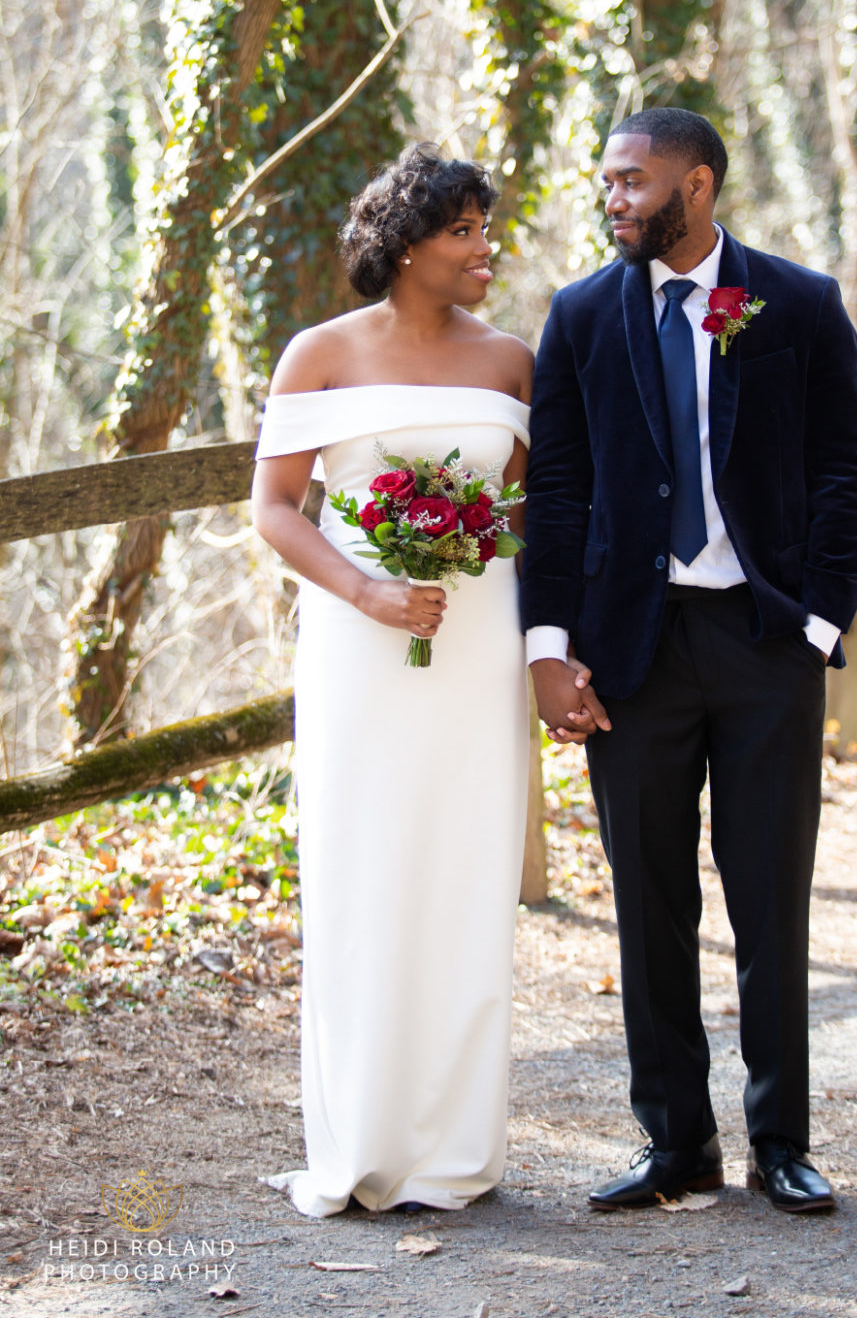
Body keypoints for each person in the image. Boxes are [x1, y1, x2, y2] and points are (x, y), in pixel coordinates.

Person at [521, 108, 857, 1214]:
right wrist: (549, 646)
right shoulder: (580, 314)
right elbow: (558, 489)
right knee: (649, 902)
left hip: (762, 641)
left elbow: (841, 473)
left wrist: (816, 623)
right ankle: (675, 1141)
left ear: (698, 184)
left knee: (770, 897)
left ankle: (780, 1138)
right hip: (632, 651)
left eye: (632, 180)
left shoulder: (797, 304)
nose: (614, 199)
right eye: (606, 182)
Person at [251, 143, 544, 1216]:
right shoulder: (316, 355)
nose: (485, 249)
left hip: (472, 641)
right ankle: (364, 1140)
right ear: (408, 242)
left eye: (484, 228)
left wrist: (467, 546)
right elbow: (277, 506)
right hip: (355, 644)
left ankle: (457, 1148)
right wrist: (368, 593)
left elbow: (520, 507)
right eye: (464, 230)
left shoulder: (512, 362)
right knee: (362, 868)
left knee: (467, 870)